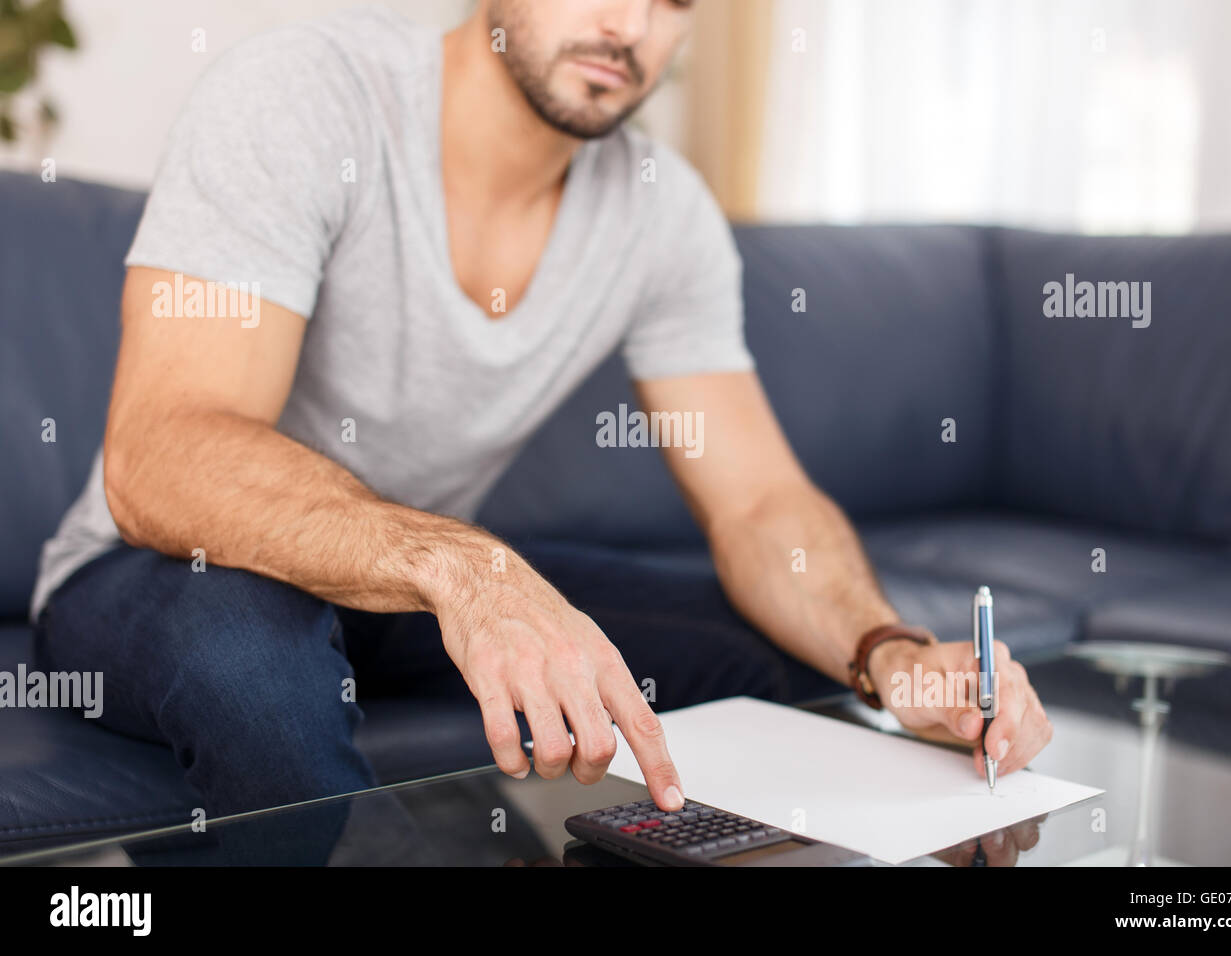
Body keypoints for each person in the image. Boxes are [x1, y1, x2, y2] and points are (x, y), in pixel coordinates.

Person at [32, 1, 1051, 830]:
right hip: (177, 570)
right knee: (258, 676)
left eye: (672, 2)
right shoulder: (303, 93)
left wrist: (890, 653)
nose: (631, 26)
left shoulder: (663, 214)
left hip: (401, 595)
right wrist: (466, 568)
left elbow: (759, 502)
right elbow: (162, 453)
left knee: (788, 656)